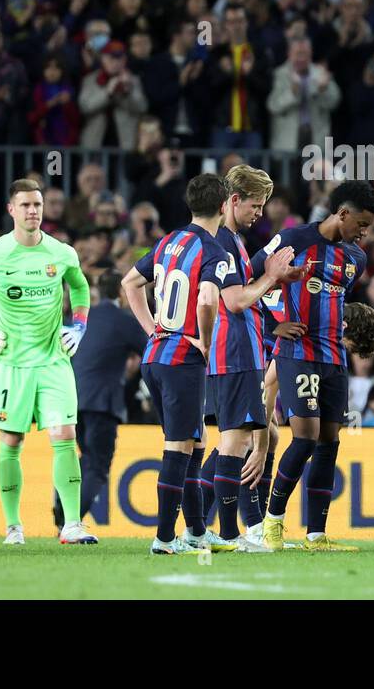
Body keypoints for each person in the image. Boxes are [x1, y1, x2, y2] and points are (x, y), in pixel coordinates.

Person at [0, 178, 98, 546]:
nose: (33, 211)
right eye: (25, 205)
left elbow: (81, 286)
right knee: (10, 441)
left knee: (65, 435)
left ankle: (71, 524)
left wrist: (80, 325)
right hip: (10, 364)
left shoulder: (61, 253)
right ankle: (13, 527)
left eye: (37, 204)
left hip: (54, 360)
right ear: (10, 210)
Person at [255, 180, 374, 552]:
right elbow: (247, 277)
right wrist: (271, 324)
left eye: (369, 226)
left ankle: (316, 534)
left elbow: (333, 306)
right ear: (342, 213)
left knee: (329, 441)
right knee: (305, 438)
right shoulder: (294, 239)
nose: (364, 232)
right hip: (298, 352)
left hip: (334, 358)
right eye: (361, 223)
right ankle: (272, 524)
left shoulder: (356, 259)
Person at [121, 174, 235, 555]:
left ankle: (198, 532)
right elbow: (206, 299)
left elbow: (129, 283)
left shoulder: (169, 241)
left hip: (156, 356)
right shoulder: (215, 251)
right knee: (178, 448)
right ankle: (164, 538)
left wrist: (152, 327)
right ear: (224, 207)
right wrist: (204, 341)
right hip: (182, 359)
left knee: (194, 440)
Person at [201, 165, 303, 551]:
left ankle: (205, 526)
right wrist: (271, 275)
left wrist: (280, 278)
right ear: (233, 200)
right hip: (233, 352)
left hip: (240, 351)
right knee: (237, 442)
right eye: (255, 205)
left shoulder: (233, 241)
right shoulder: (224, 243)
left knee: (237, 439)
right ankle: (230, 533)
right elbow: (235, 299)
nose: (259, 213)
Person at [68, 269, 147, 525]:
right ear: (122, 293)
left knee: (86, 457)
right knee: (98, 465)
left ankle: (62, 506)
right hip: (102, 403)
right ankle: (70, 519)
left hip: (74, 400)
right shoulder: (123, 320)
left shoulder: (82, 319)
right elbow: (151, 349)